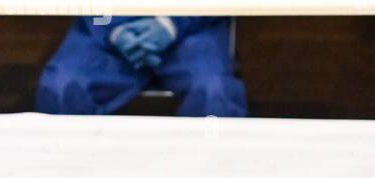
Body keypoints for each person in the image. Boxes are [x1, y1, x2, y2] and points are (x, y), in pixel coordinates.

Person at [37, 16, 247, 118]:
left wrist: (171, 24)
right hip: (104, 26)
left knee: (215, 91)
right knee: (60, 85)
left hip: (192, 28)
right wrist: (114, 30)